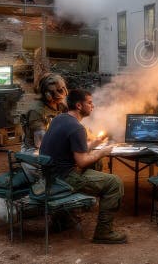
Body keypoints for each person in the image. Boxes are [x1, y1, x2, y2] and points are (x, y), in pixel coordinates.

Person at [40, 89, 127, 244]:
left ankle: (64, 219)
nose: (93, 106)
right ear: (79, 106)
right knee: (115, 183)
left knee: (96, 163)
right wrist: (102, 152)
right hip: (64, 179)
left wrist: (94, 143)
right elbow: (81, 162)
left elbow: (72, 150)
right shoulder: (77, 128)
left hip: (49, 175)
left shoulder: (60, 119)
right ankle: (104, 232)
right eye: (89, 103)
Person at [20, 73, 68, 153]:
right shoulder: (36, 111)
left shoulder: (61, 106)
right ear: (47, 94)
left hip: (55, 143)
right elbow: (40, 142)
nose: (62, 93)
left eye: (62, 89)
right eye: (59, 90)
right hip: (34, 149)